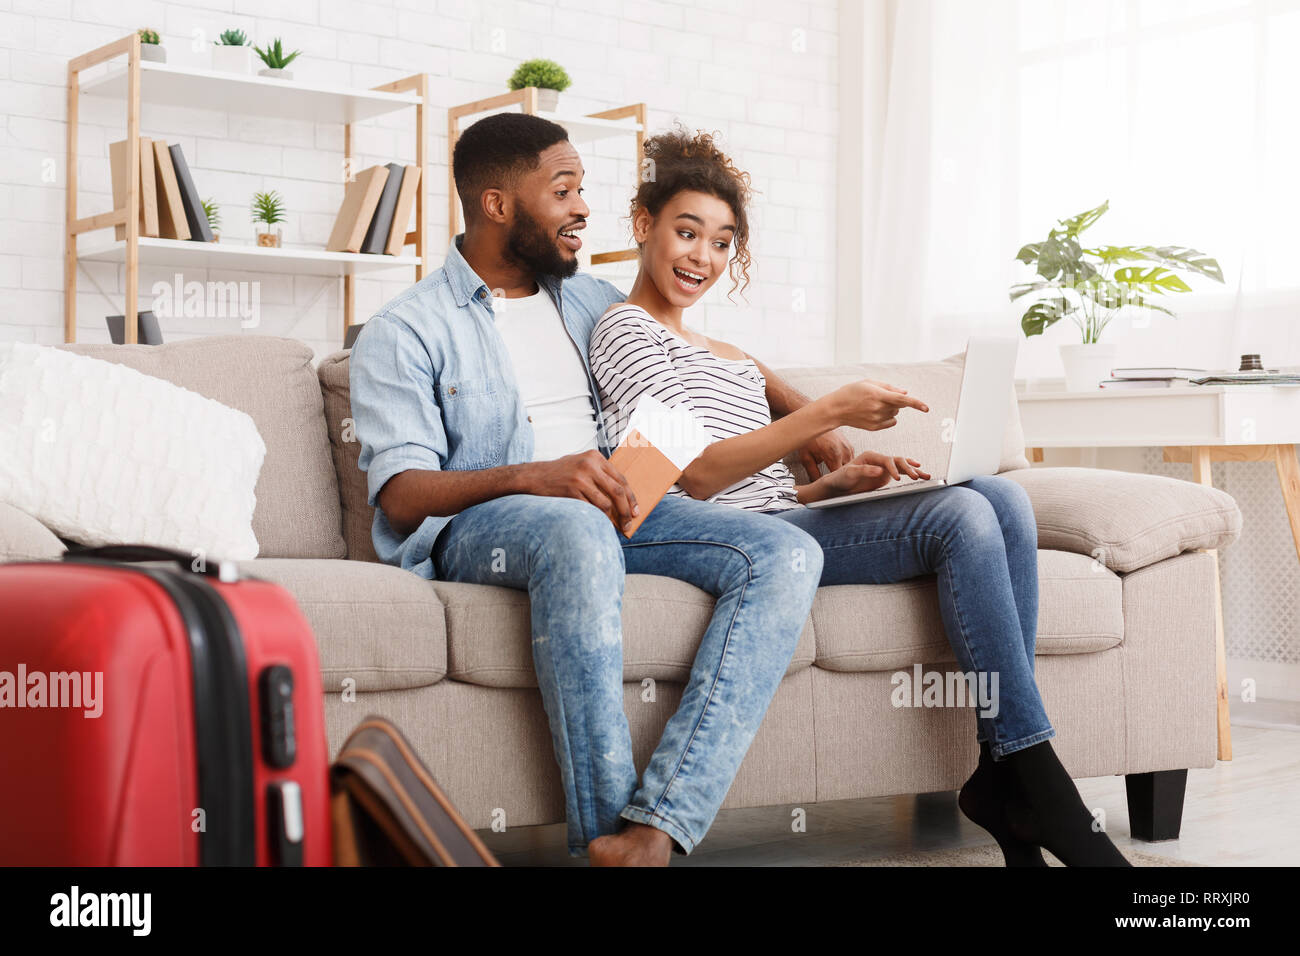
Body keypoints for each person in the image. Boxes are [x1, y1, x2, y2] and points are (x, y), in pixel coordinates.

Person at [349, 112, 917, 866]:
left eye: (582, 188)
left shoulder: (589, 300)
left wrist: (799, 415)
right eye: (563, 191)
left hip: (625, 497)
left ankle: (656, 828)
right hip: (493, 521)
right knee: (577, 529)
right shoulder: (407, 328)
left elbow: (696, 347)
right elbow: (400, 495)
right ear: (497, 205)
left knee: (783, 554)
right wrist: (537, 476)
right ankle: (601, 841)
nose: (584, 207)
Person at [588, 126, 1132, 867]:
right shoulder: (627, 332)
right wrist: (826, 411)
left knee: (1002, 501)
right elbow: (695, 479)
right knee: (963, 515)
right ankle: (1029, 774)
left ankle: (1007, 771)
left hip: (786, 516)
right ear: (644, 225)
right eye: (687, 233)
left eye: (721, 243)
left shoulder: (725, 355)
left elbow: (760, 482)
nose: (702, 258)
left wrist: (833, 485)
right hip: (726, 534)